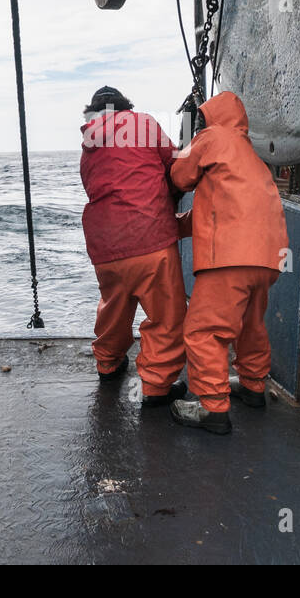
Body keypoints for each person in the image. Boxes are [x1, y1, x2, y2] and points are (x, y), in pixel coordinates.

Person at [168, 91, 288, 434]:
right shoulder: (250, 155)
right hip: (268, 258)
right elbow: (226, 210)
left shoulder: (213, 137)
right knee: (251, 325)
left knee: (205, 331)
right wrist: (177, 226)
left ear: (210, 117)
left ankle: (212, 408)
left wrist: (187, 143)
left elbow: (179, 175)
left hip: (230, 260)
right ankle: (252, 386)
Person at [80, 86, 188, 406]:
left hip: (105, 245)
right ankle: (156, 388)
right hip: (150, 239)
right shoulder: (142, 123)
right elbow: (176, 167)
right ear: (126, 107)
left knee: (114, 306)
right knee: (165, 318)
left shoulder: (89, 143)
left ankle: (108, 365)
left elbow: (96, 187)